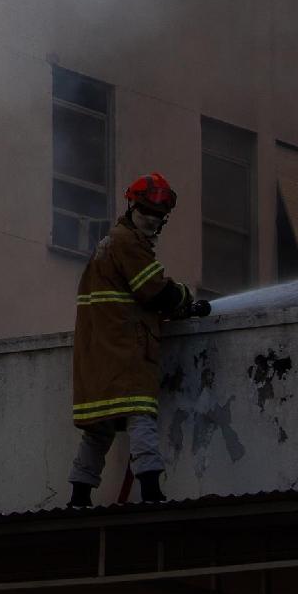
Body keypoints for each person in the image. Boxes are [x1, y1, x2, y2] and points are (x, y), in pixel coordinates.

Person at [67, 172, 210, 506]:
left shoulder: (109, 243)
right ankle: (151, 491)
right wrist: (186, 300)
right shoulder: (126, 242)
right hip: (125, 349)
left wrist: (175, 307)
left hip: (99, 351)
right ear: (132, 205)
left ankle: (79, 495)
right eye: (146, 212)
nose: (152, 220)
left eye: (158, 216)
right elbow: (155, 292)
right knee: (140, 415)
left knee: (99, 428)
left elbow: (136, 298)